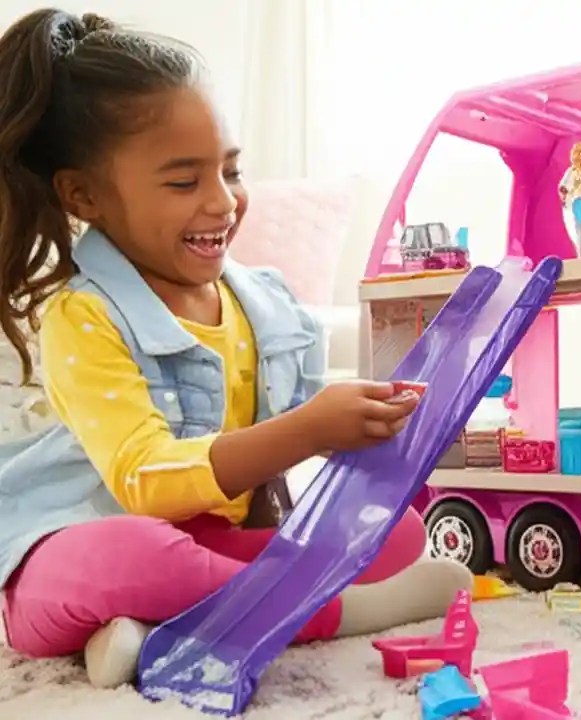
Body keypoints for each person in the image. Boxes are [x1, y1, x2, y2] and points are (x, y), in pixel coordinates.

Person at [0, 9, 472, 689]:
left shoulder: (265, 305)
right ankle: (332, 611)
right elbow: (145, 481)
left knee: (396, 530)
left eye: (231, 171)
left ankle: (160, 627)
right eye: (184, 182)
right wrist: (310, 429)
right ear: (84, 195)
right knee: (134, 556)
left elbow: (285, 455)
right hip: (78, 546)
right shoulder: (85, 316)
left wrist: (372, 427)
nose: (223, 202)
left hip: (206, 544)